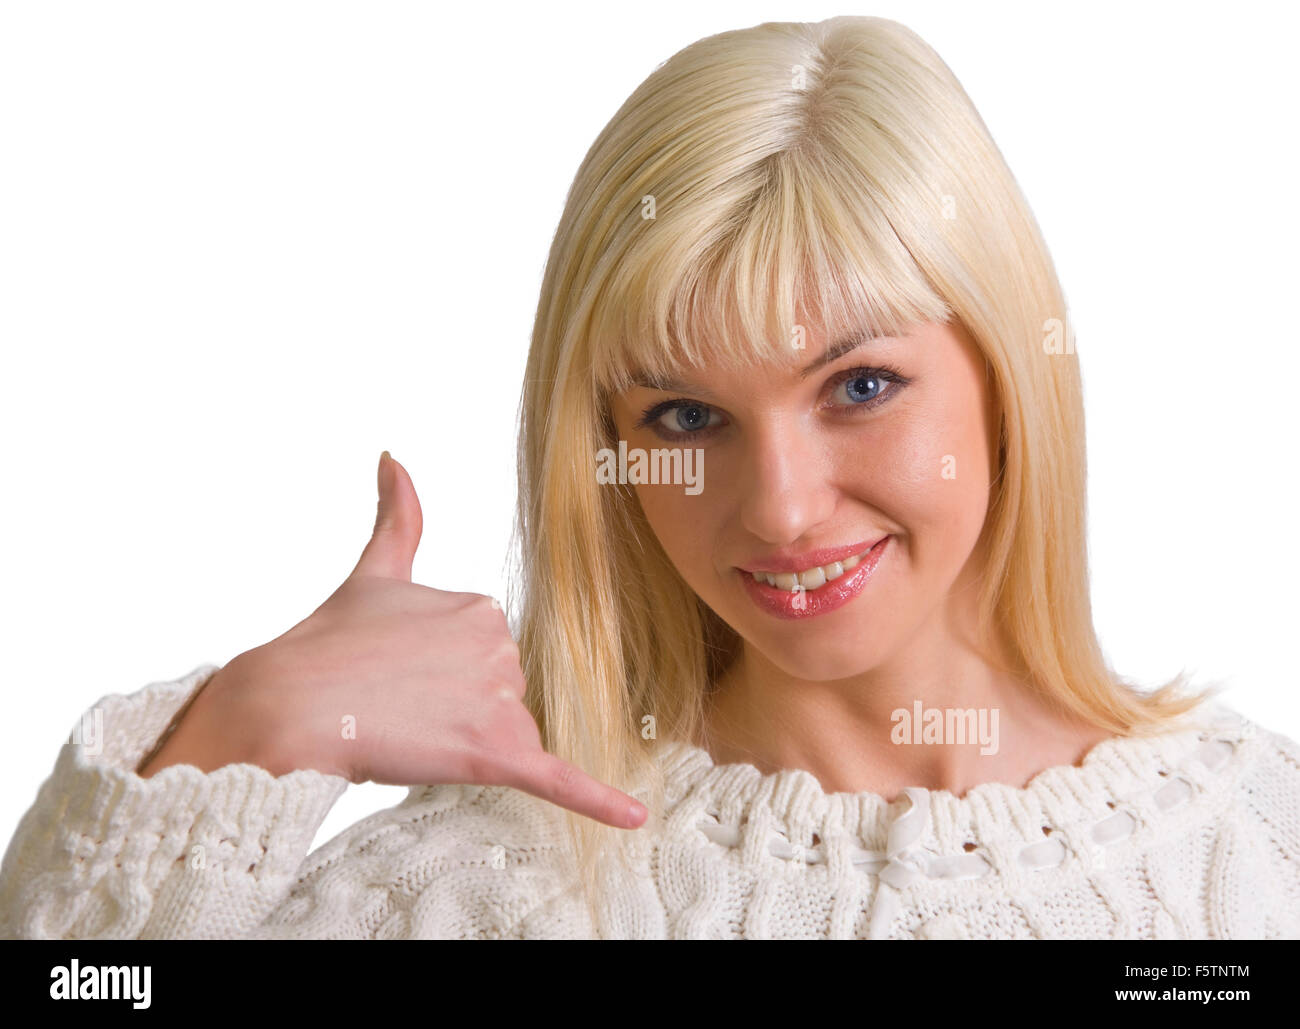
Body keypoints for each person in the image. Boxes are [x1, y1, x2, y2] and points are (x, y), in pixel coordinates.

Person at [2, 14, 1297, 940]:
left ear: (1008, 374)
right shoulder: (472, 891)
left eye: (859, 386)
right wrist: (244, 727)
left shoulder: (1259, 841)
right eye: (685, 414)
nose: (782, 507)